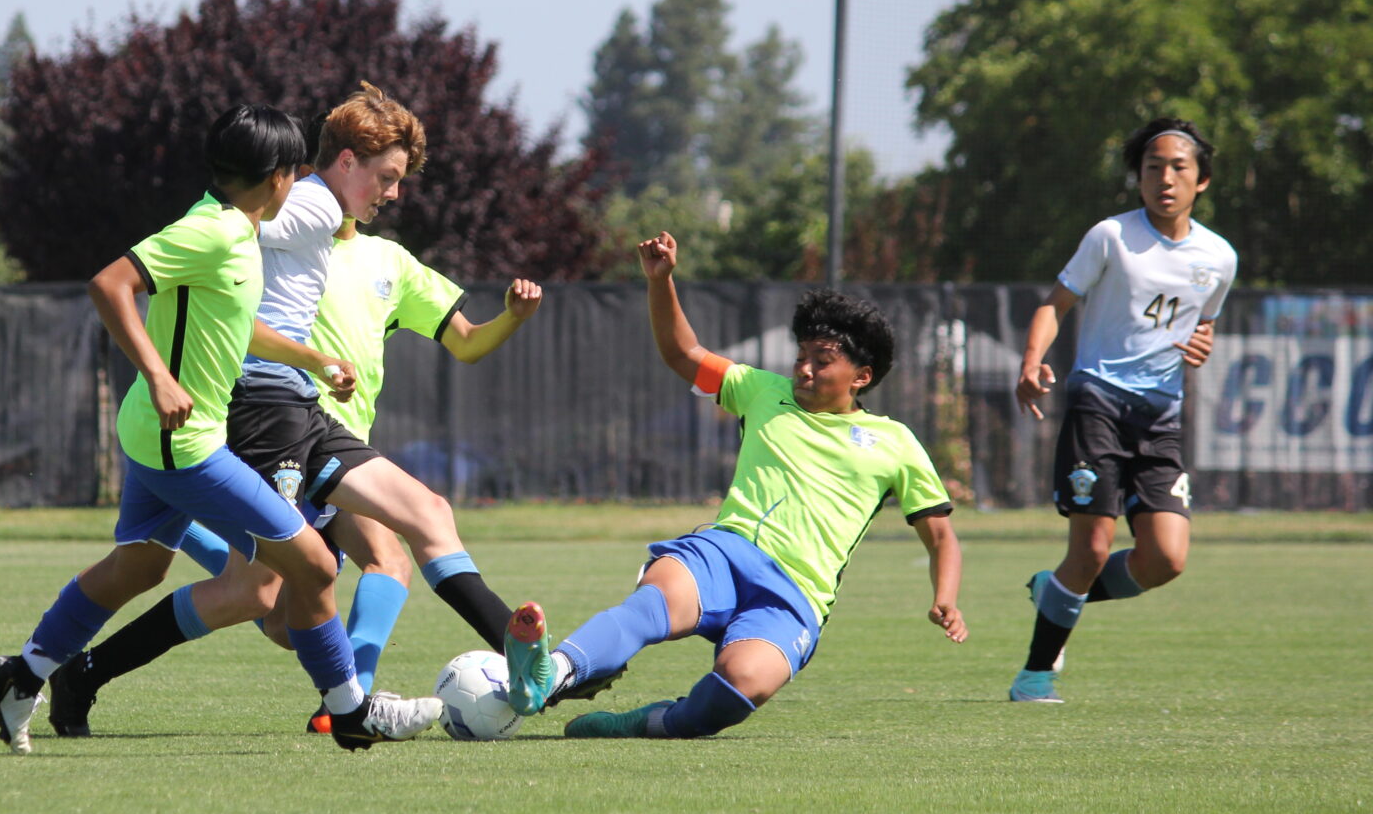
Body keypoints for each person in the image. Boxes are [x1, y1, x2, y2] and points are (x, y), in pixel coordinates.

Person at [40, 84, 534, 737]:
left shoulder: (330, 220)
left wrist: (316, 363)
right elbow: (225, 217)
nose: (393, 192)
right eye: (386, 177)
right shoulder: (306, 203)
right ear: (349, 161)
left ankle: (521, 656)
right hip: (256, 411)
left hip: (300, 407)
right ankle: (86, 672)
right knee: (257, 592)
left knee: (425, 513)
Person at [0, 103, 422, 754]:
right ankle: (350, 710)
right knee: (315, 565)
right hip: (182, 441)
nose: (301, 186)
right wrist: (158, 375)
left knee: (137, 568)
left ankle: (22, 674)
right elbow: (110, 283)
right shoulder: (211, 231)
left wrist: (313, 358)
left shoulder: (240, 232)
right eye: (296, 174)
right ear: (277, 179)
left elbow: (238, 322)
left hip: (164, 433)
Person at [503, 233, 967, 740]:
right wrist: (662, 282)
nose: (804, 367)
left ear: (862, 376)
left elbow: (941, 537)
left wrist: (946, 597)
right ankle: (556, 673)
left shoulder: (895, 441)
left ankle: (649, 721)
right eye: (802, 354)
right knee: (650, 605)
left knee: (739, 686)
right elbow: (681, 353)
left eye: (823, 358)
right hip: (726, 551)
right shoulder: (761, 390)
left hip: (795, 594)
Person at [1008, 117, 1237, 704]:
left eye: (1178, 167)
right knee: (1089, 548)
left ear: (1202, 180)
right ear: (1138, 177)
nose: (1164, 177)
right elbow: (1055, 304)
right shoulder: (1111, 236)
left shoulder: (1219, 257)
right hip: (1098, 401)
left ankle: (1056, 591)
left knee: (1166, 558)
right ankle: (1035, 675)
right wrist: (1032, 361)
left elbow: (1199, 324)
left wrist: (1203, 342)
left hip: (1162, 414)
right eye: (1152, 166)